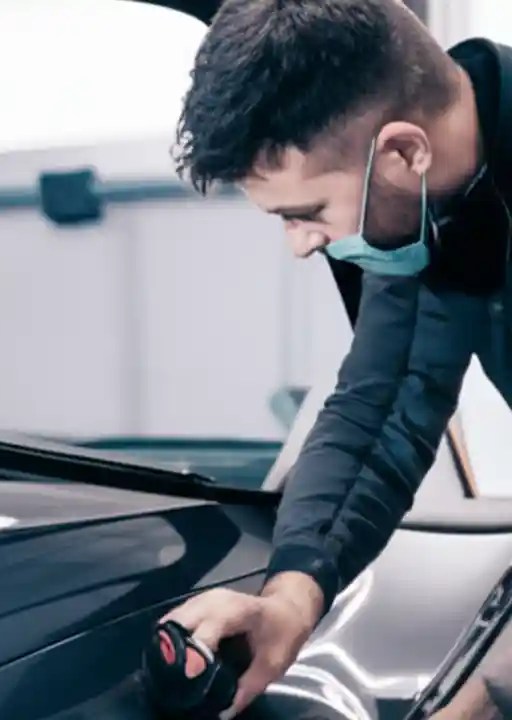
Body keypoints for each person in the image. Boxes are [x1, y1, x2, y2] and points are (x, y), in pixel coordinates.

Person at [160, 0, 512, 718]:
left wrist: (488, 695)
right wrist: (291, 596)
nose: (299, 245)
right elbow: (382, 405)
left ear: (405, 152)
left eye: (306, 213)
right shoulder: (423, 207)